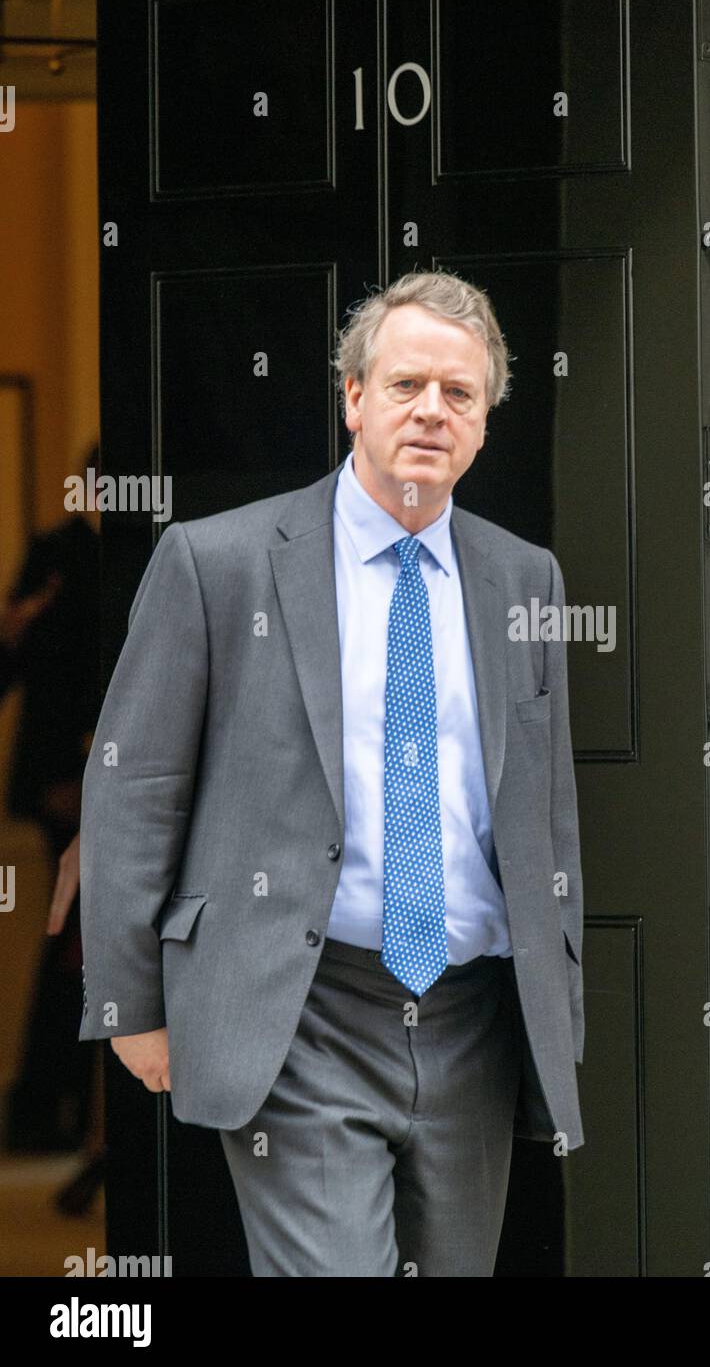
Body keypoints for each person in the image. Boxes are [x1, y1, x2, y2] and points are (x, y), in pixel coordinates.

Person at [77, 270, 586, 1276]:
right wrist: (129, 1003)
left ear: (485, 424)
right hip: (299, 1006)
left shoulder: (525, 579)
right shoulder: (216, 563)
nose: (432, 411)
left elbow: (546, 811)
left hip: (472, 1019)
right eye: (405, 385)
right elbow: (133, 788)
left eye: (460, 395)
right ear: (353, 397)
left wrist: (555, 1003)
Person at [1, 441, 100, 1156]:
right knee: (73, 945)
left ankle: (53, 1105)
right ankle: (46, 1106)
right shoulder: (59, 556)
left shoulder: (136, 552)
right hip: (64, 780)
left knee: (79, 946)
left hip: (104, 776)